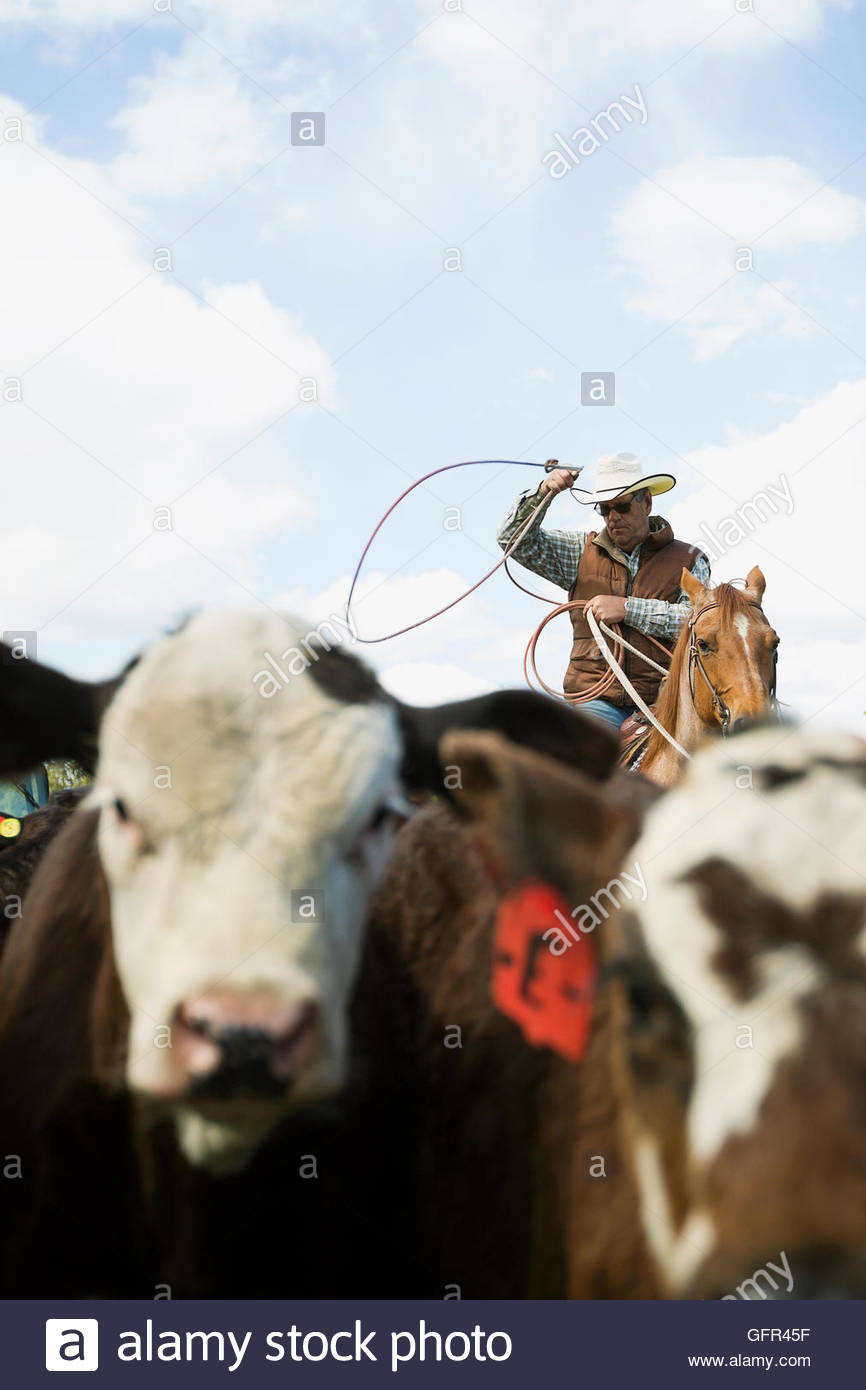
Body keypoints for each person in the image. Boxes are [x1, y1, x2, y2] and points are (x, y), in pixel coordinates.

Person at [497, 451, 710, 730]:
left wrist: (627, 608)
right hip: (595, 698)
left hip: (665, 701)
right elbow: (512, 539)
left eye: (621, 506)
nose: (613, 518)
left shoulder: (691, 559)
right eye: (604, 509)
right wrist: (543, 492)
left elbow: (699, 623)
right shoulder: (579, 551)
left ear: (646, 502)